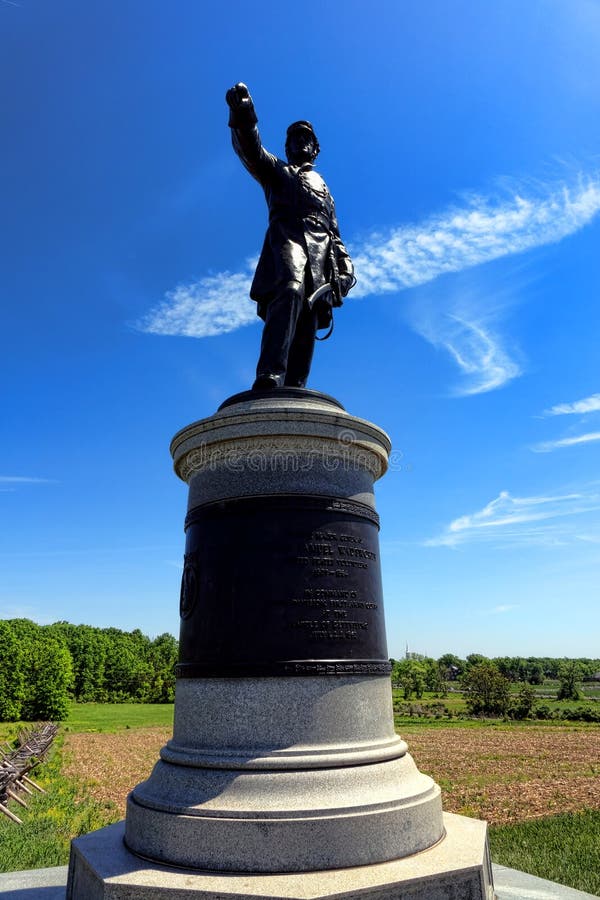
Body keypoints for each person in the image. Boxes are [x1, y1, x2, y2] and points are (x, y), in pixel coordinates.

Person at [226, 83, 355, 390]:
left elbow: (334, 233)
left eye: (306, 138)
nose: (300, 142)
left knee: (310, 313)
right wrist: (243, 113)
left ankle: (296, 385)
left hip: (321, 253)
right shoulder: (278, 172)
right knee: (291, 289)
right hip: (288, 241)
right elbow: (251, 150)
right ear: (287, 148)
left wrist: (346, 266)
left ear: (315, 148)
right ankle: (270, 373)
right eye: (294, 138)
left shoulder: (325, 189)